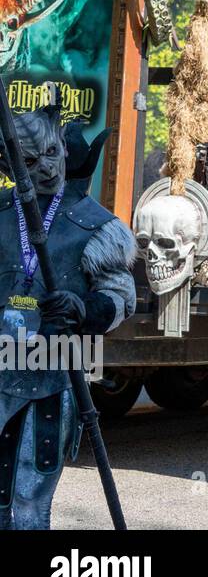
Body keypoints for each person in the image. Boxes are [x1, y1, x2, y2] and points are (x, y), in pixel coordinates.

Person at [0, 92, 137, 529]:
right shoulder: (1, 215)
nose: (45, 166)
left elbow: (122, 299)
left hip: (53, 379)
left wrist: (83, 308)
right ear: (8, 164)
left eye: (51, 152)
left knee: (30, 504)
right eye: (30, 158)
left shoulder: (95, 225)